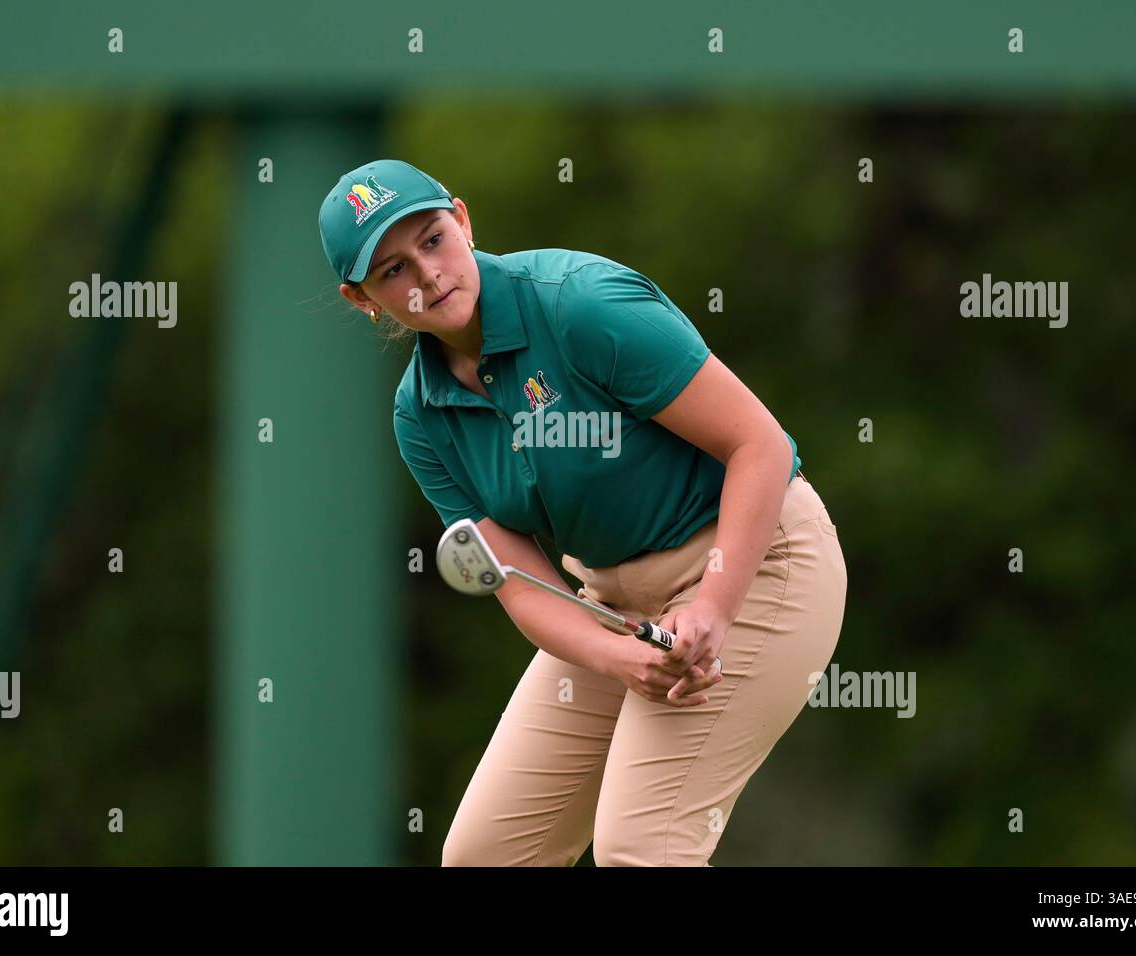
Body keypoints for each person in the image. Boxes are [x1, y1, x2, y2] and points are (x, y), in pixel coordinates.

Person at [317, 158, 847, 866]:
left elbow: (759, 445)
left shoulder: (579, 304)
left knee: (642, 847)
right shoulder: (421, 417)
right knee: (483, 857)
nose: (428, 274)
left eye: (433, 240)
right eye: (392, 271)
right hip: (617, 604)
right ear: (364, 300)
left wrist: (715, 605)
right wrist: (616, 653)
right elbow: (519, 580)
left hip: (760, 565)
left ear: (463, 222)